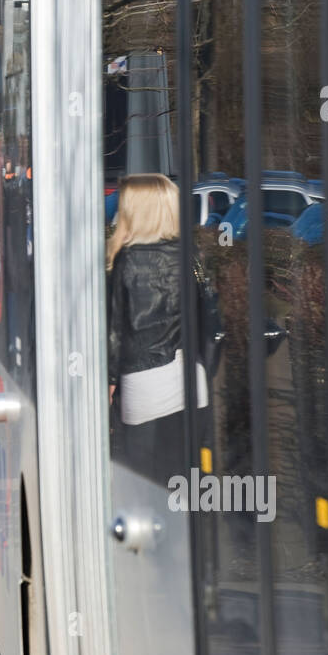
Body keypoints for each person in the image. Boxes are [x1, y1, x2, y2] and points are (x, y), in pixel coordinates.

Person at [106, 174, 206, 483]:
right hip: (190, 383)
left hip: (143, 385)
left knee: (143, 484)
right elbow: (204, 318)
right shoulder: (191, 257)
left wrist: (108, 383)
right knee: (183, 480)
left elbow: (115, 331)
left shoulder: (124, 261)